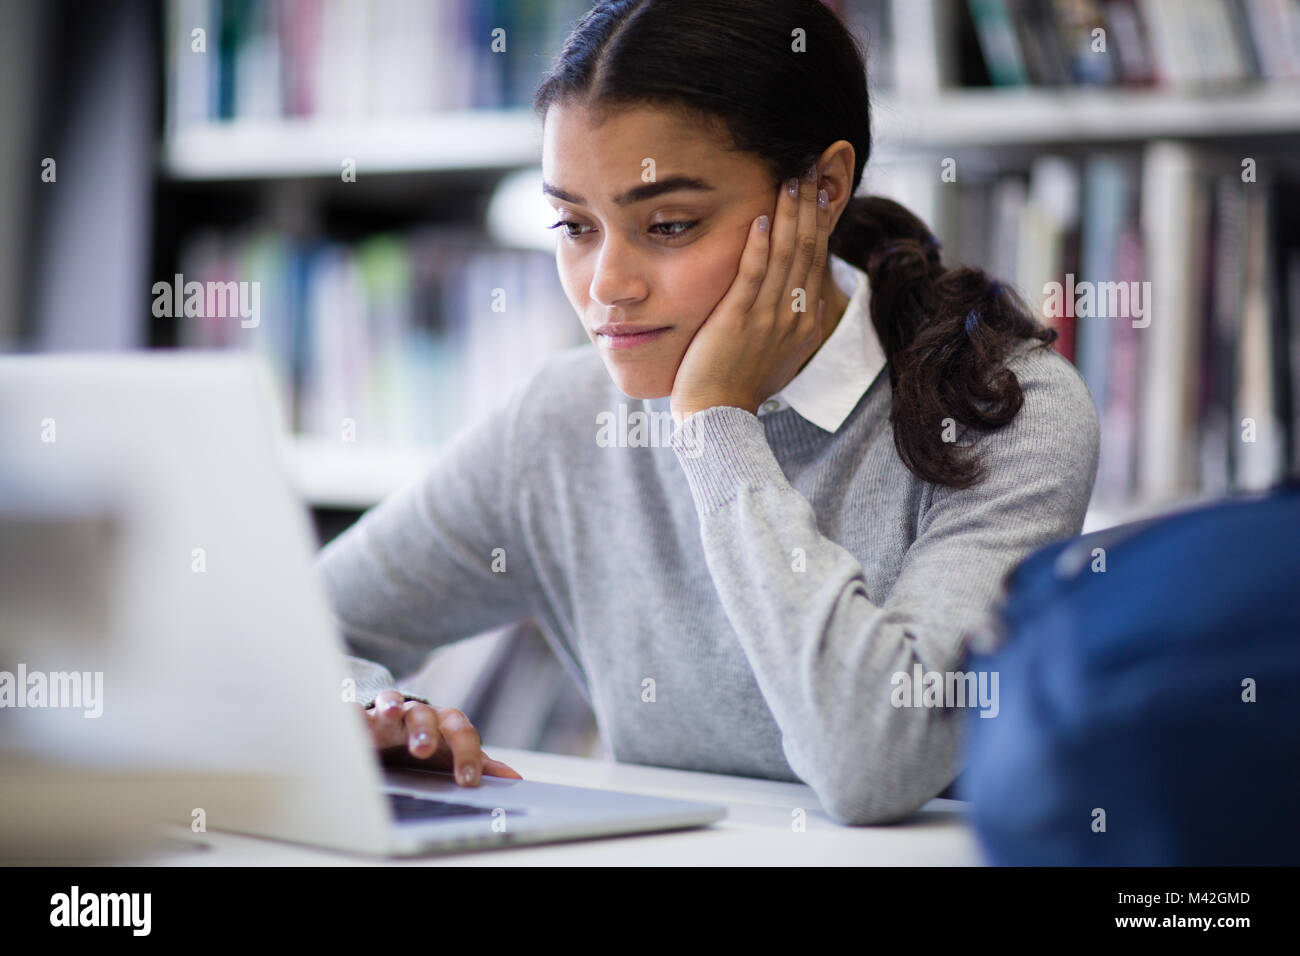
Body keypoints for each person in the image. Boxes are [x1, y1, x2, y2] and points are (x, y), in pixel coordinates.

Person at [320, 0, 1099, 824]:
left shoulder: (1009, 414)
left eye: (669, 224)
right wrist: (372, 713)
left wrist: (716, 425)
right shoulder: (559, 422)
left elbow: (876, 761)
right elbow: (296, 629)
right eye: (574, 225)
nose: (606, 285)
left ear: (823, 189)